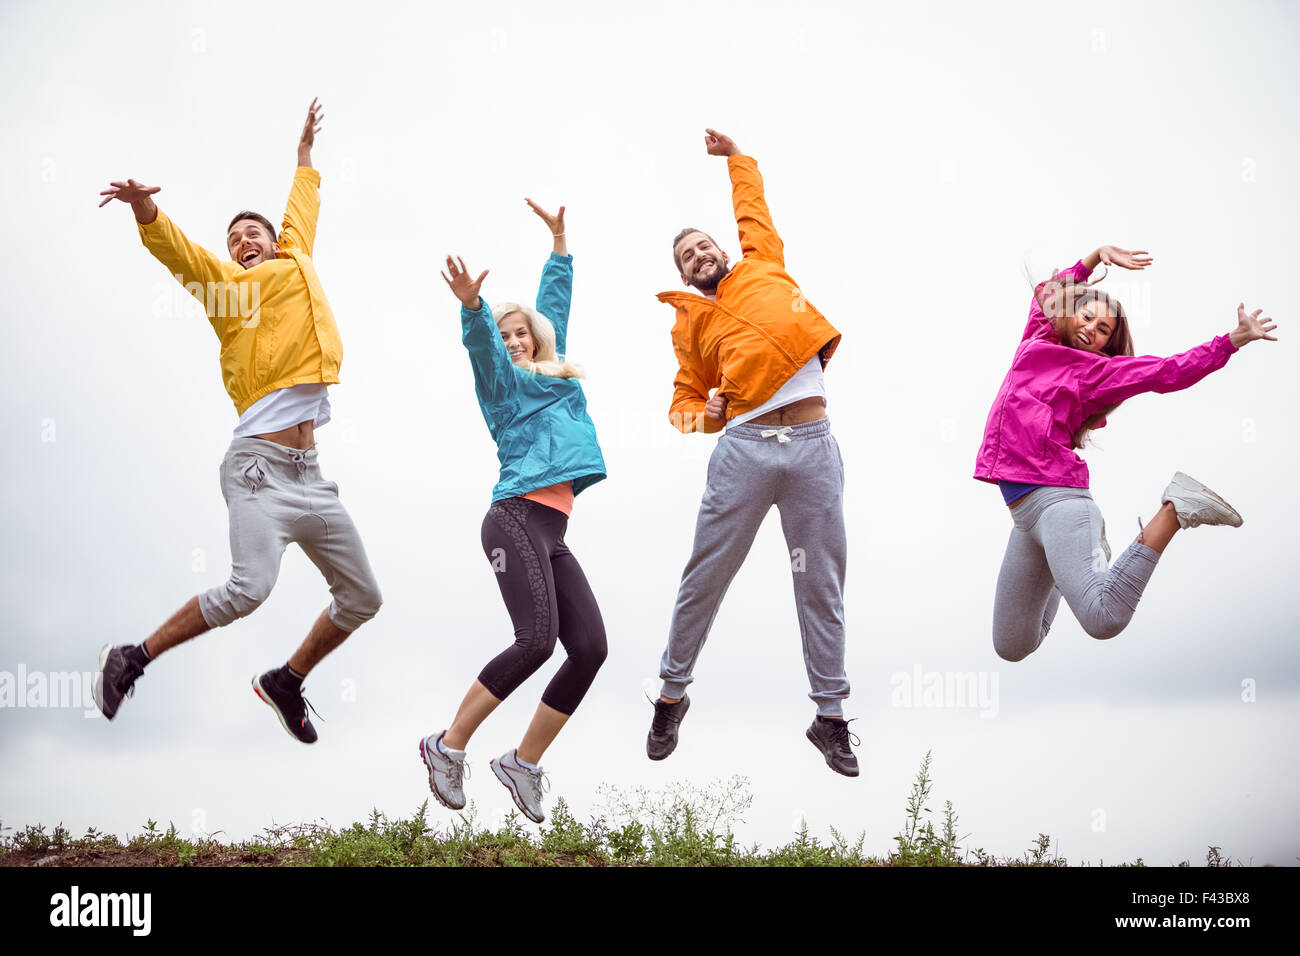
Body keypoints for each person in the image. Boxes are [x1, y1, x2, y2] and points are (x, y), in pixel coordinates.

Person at [93, 100, 382, 742]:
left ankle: (286, 681)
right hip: (257, 467)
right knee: (249, 590)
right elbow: (183, 257)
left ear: (275, 242)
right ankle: (131, 658)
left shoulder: (296, 260)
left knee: (363, 597)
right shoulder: (228, 292)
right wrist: (146, 208)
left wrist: (305, 155)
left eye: (252, 234)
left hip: (310, 477)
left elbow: (302, 206)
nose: (242, 242)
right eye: (233, 239)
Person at [647, 129, 857, 777]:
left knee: (821, 583)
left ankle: (831, 719)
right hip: (744, 450)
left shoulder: (763, 264)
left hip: (813, 447)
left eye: (705, 244)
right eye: (688, 255)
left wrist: (736, 156)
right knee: (705, 575)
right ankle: (669, 696)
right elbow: (680, 405)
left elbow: (751, 207)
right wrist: (702, 415)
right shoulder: (692, 325)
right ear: (683, 275)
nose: (700, 253)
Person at [974, 245, 1277, 661]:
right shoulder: (1037, 337)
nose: (1091, 330)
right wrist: (1095, 256)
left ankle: (1177, 507)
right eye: (1087, 317)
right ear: (1069, 314)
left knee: (1104, 618)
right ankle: (1078, 560)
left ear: (1104, 346)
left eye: (1102, 330)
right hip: (1025, 519)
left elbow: (1167, 371)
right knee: (1012, 645)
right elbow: (1051, 291)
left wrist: (1231, 342)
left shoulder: (1096, 373)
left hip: (1060, 505)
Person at [420, 199, 607, 823]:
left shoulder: (552, 369)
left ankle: (522, 764)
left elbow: (552, 308)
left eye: (519, 332)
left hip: (551, 530)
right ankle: (446, 747)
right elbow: (482, 348)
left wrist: (559, 242)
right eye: (507, 337)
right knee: (536, 641)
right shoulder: (502, 383)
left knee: (589, 648)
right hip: (515, 518)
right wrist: (474, 309)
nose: (514, 340)